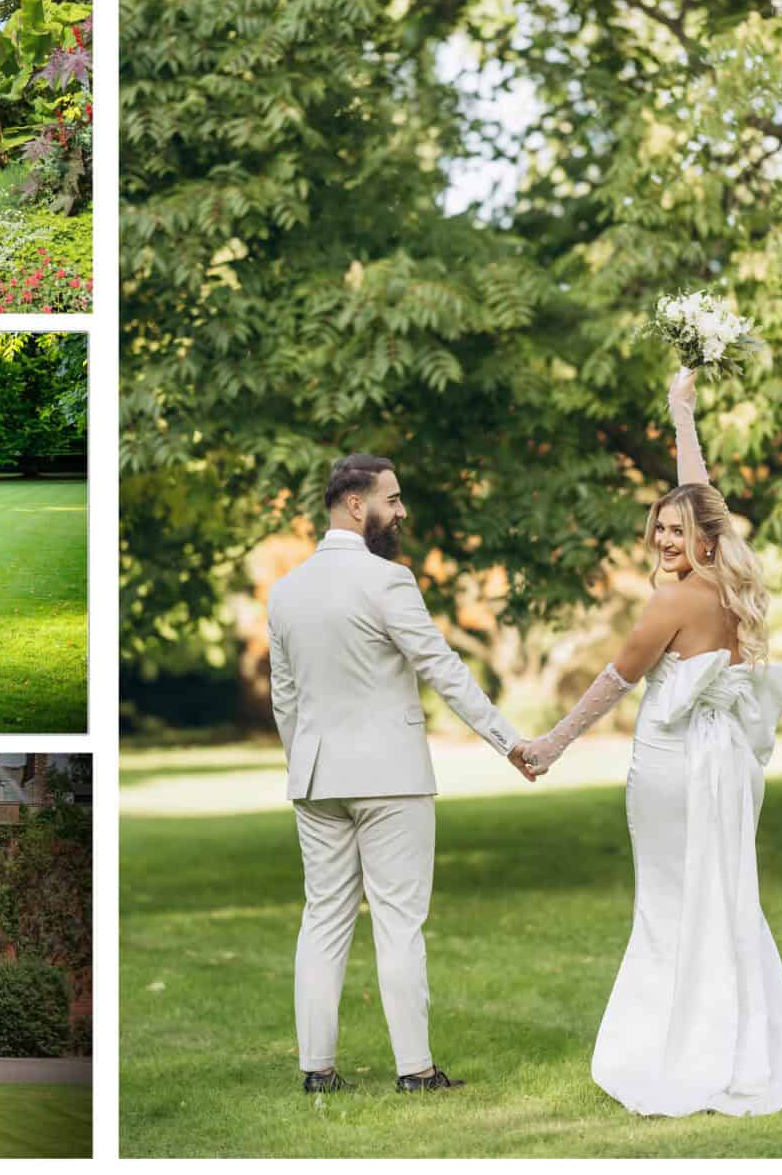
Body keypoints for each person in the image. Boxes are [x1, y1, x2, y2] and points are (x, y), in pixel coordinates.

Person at [515, 369, 782, 1117]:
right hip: (725, 760)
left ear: (702, 538)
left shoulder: (672, 599)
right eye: (658, 527)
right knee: (719, 898)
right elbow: (700, 496)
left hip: (674, 765)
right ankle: (732, 1038)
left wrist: (552, 745)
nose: (665, 538)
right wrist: (681, 413)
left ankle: (677, 1051)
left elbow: (614, 680)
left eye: (676, 531)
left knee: (670, 904)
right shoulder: (728, 580)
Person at [267, 453, 536, 1095]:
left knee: (323, 918)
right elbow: (443, 669)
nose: (402, 510)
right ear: (357, 505)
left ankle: (317, 1071)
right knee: (397, 922)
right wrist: (508, 742)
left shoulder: (285, 591)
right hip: (391, 776)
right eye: (393, 498)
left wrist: (304, 761)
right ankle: (415, 1071)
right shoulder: (389, 581)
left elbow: (285, 698)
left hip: (316, 777)